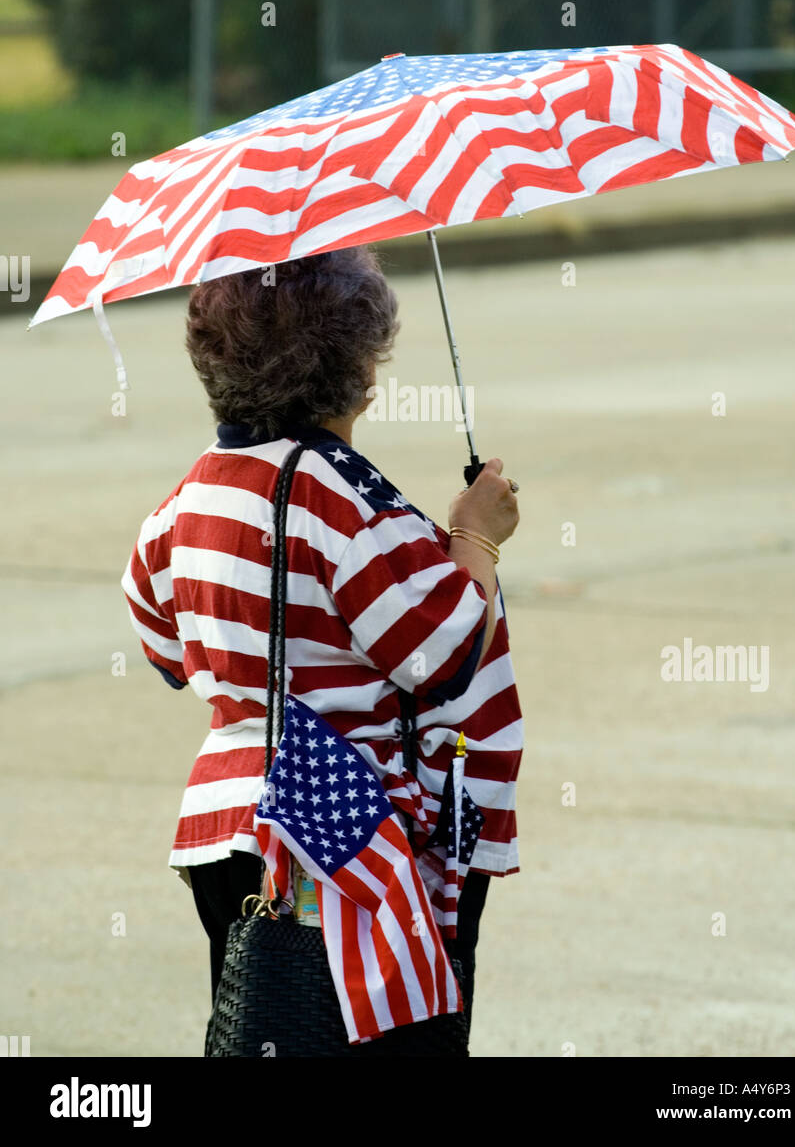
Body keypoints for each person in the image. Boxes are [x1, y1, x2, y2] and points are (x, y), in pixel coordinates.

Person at [121, 245, 523, 1051]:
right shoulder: (345, 506)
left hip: (225, 827)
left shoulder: (188, 497)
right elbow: (438, 654)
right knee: (387, 1034)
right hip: (346, 832)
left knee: (267, 1021)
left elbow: (164, 645)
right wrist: (475, 536)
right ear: (360, 365)